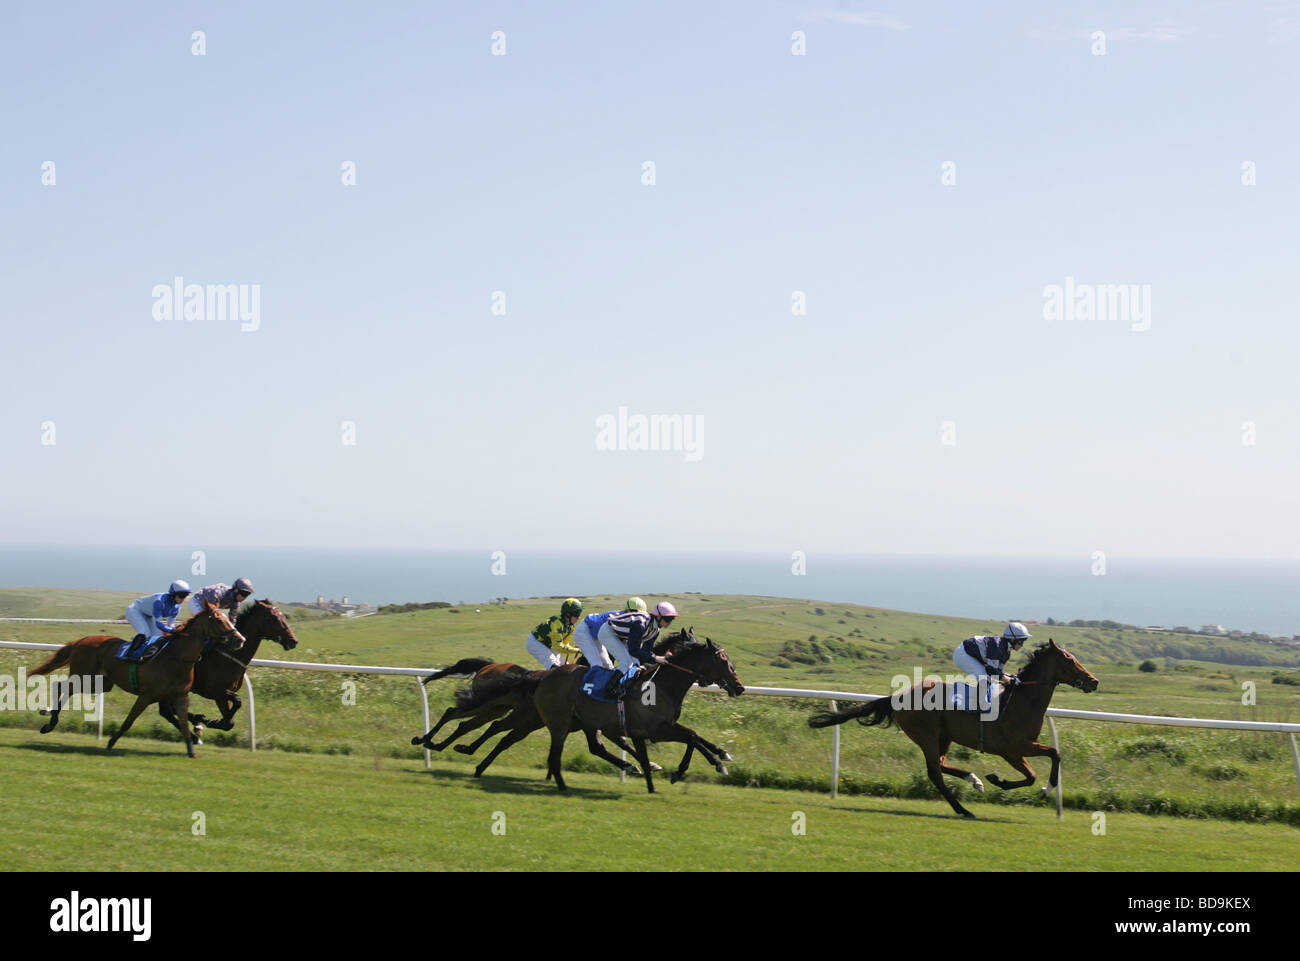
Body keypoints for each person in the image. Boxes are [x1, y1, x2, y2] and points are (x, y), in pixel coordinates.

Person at [600, 601, 679, 696]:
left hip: (620, 636)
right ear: (658, 616)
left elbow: (646, 651)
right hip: (607, 633)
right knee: (626, 662)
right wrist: (656, 658)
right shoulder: (641, 624)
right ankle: (608, 690)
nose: (669, 622)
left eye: (672, 619)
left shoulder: (655, 630)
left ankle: (623, 687)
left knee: (636, 662)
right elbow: (634, 650)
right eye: (668, 619)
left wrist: (659, 659)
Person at [952, 621, 1030, 710]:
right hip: (963, 654)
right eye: (1021, 641)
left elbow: (998, 673)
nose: (1022, 645)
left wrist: (1009, 676)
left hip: (971, 654)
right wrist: (1006, 678)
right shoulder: (997, 646)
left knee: (991, 679)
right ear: (1012, 639)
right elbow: (992, 671)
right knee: (984, 676)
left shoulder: (1006, 652)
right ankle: (978, 703)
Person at [122, 580, 191, 660]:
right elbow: (158, 623)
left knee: (158, 637)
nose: (183, 599)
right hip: (135, 610)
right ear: (173, 594)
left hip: (148, 614)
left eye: (185, 596)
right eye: (181, 595)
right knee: (145, 633)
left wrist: (176, 630)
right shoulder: (159, 602)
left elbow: (170, 624)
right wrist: (172, 630)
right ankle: (129, 654)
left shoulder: (177, 607)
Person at [572, 597, 647, 669]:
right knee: (596, 664)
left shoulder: (633, 623)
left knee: (608, 665)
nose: (637, 616)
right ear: (627, 611)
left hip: (596, 634)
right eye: (635, 613)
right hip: (584, 630)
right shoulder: (621, 619)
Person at [525, 598, 584, 668]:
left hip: (546, 645)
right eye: (576, 614)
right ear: (568, 614)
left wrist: (579, 649)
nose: (579, 617)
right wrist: (578, 651)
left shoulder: (570, 627)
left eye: (579, 614)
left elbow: (565, 645)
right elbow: (558, 647)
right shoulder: (556, 623)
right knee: (554, 666)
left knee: (565, 666)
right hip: (534, 643)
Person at [188, 578, 254, 624]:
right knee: (206, 622)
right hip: (196, 602)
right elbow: (210, 608)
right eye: (244, 593)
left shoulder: (236, 603)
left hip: (209, 607)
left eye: (247, 594)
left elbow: (232, 619)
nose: (244, 597)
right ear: (236, 590)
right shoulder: (221, 592)